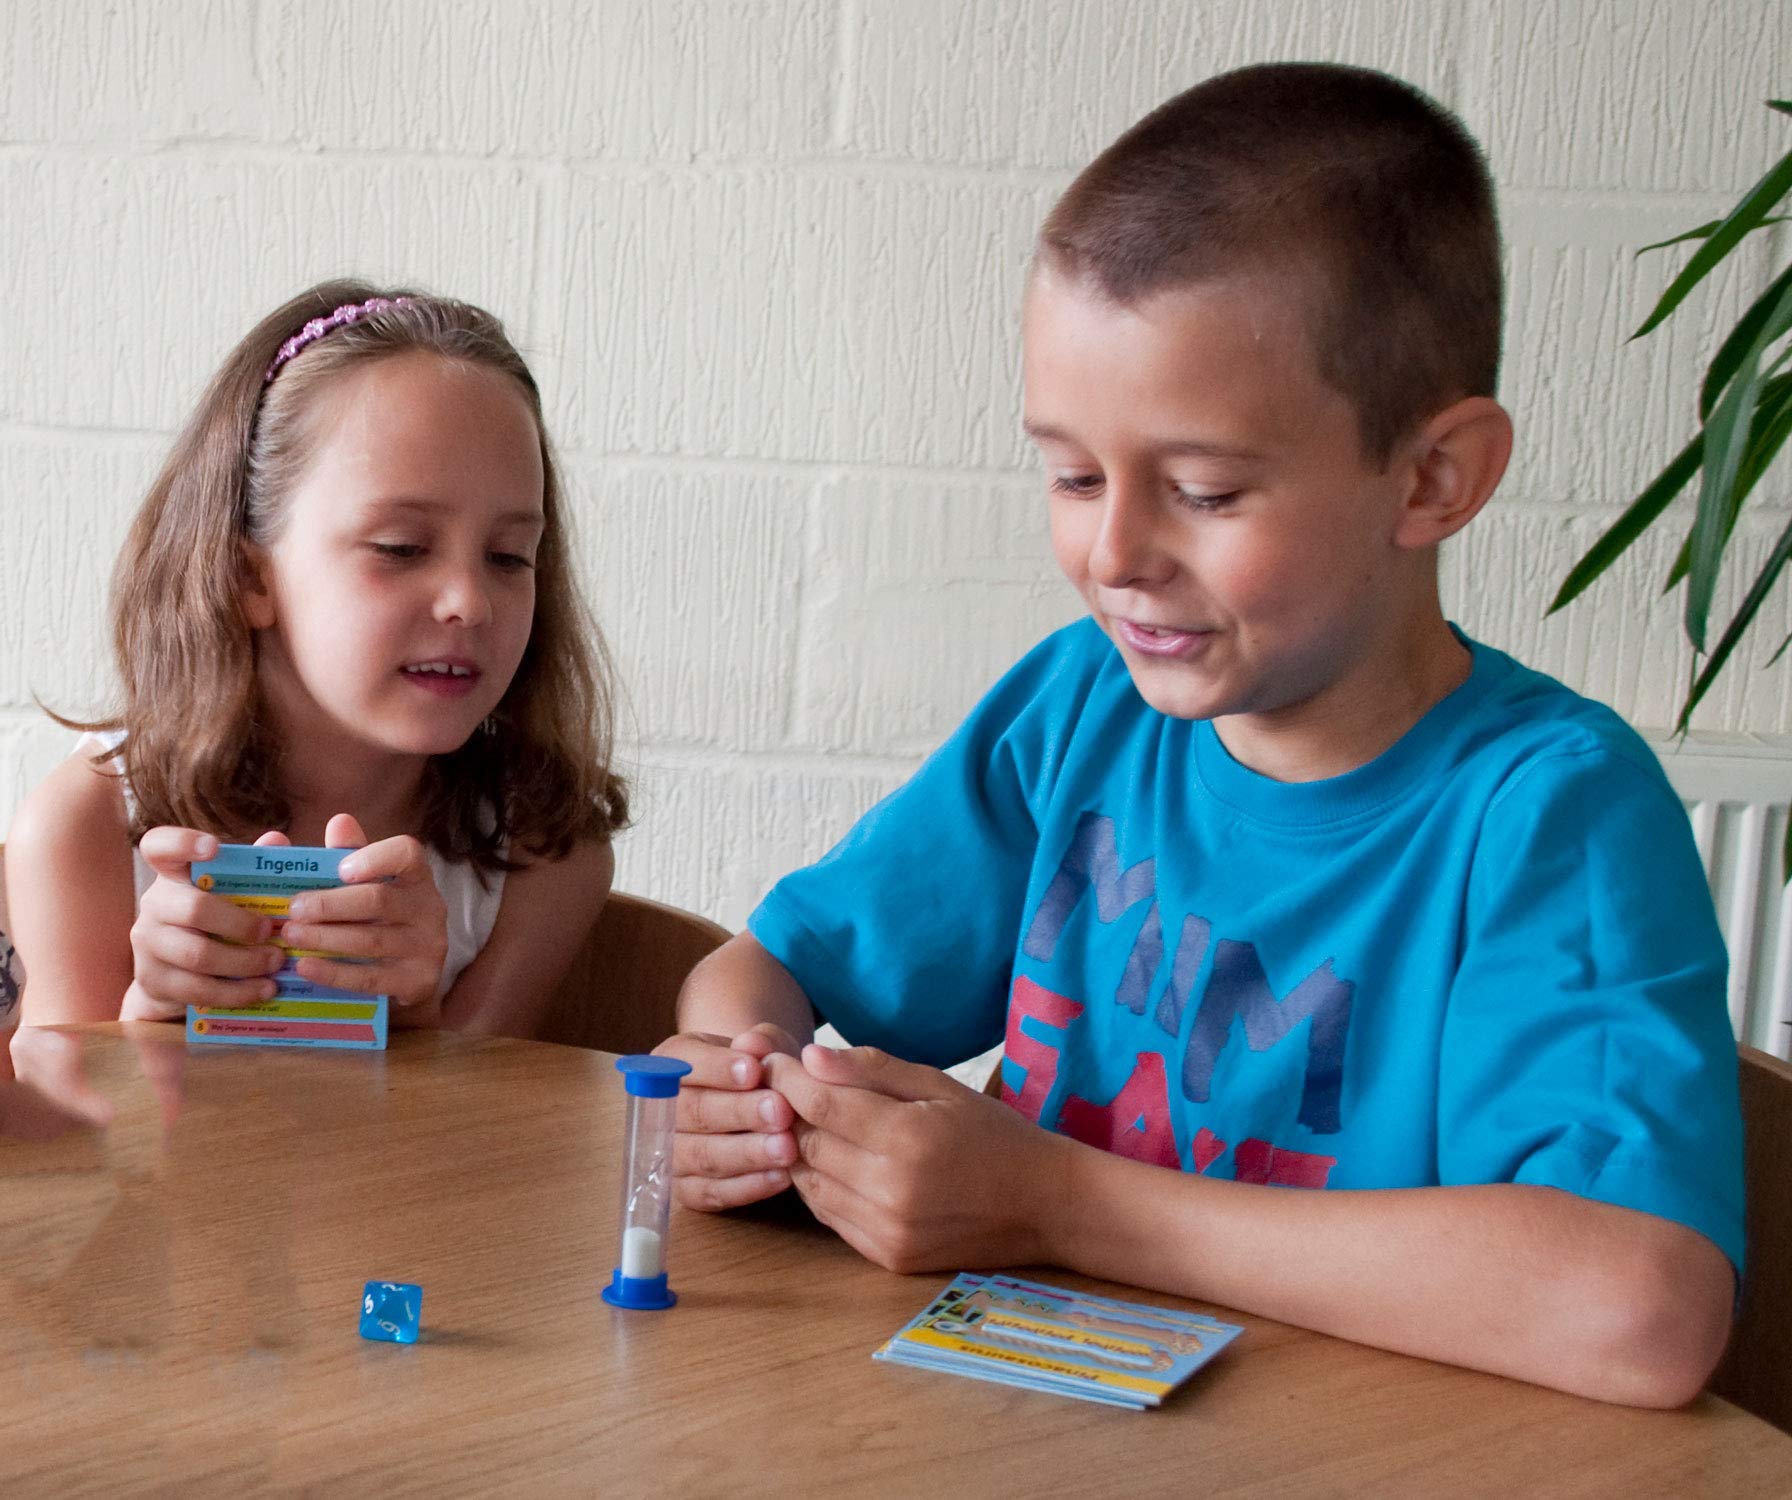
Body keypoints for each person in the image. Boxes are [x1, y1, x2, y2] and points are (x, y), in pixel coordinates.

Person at [658, 63, 1743, 1407]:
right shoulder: (1081, 709)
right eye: (1071, 473)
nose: (1114, 552)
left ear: (1431, 479)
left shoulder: (1550, 814)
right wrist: (742, 1090)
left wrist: (1057, 1205)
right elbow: (765, 970)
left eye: (1204, 490)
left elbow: (1638, 1312)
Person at [6, 281, 627, 1044]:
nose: (470, 600)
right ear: (248, 578)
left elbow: (468, 1152)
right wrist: (149, 1015)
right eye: (401, 548)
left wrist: (419, 1015)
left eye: (508, 556)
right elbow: (66, 1147)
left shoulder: (546, 852)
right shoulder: (89, 824)